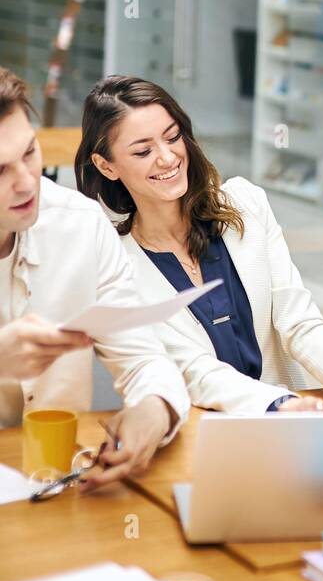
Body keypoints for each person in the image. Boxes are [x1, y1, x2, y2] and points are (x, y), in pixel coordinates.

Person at [75, 76, 323, 417]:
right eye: (142, 151)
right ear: (106, 166)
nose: (168, 158)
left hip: (297, 422)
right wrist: (281, 405)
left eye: (172, 137)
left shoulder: (245, 205)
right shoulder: (116, 263)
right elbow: (194, 371)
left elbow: (299, 323)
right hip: (204, 438)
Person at [0, 66, 188, 491]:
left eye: (30, 153)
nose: (28, 182)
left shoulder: (80, 224)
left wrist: (155, 410)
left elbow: (143, 358)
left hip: (59, 488)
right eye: (0, 171)